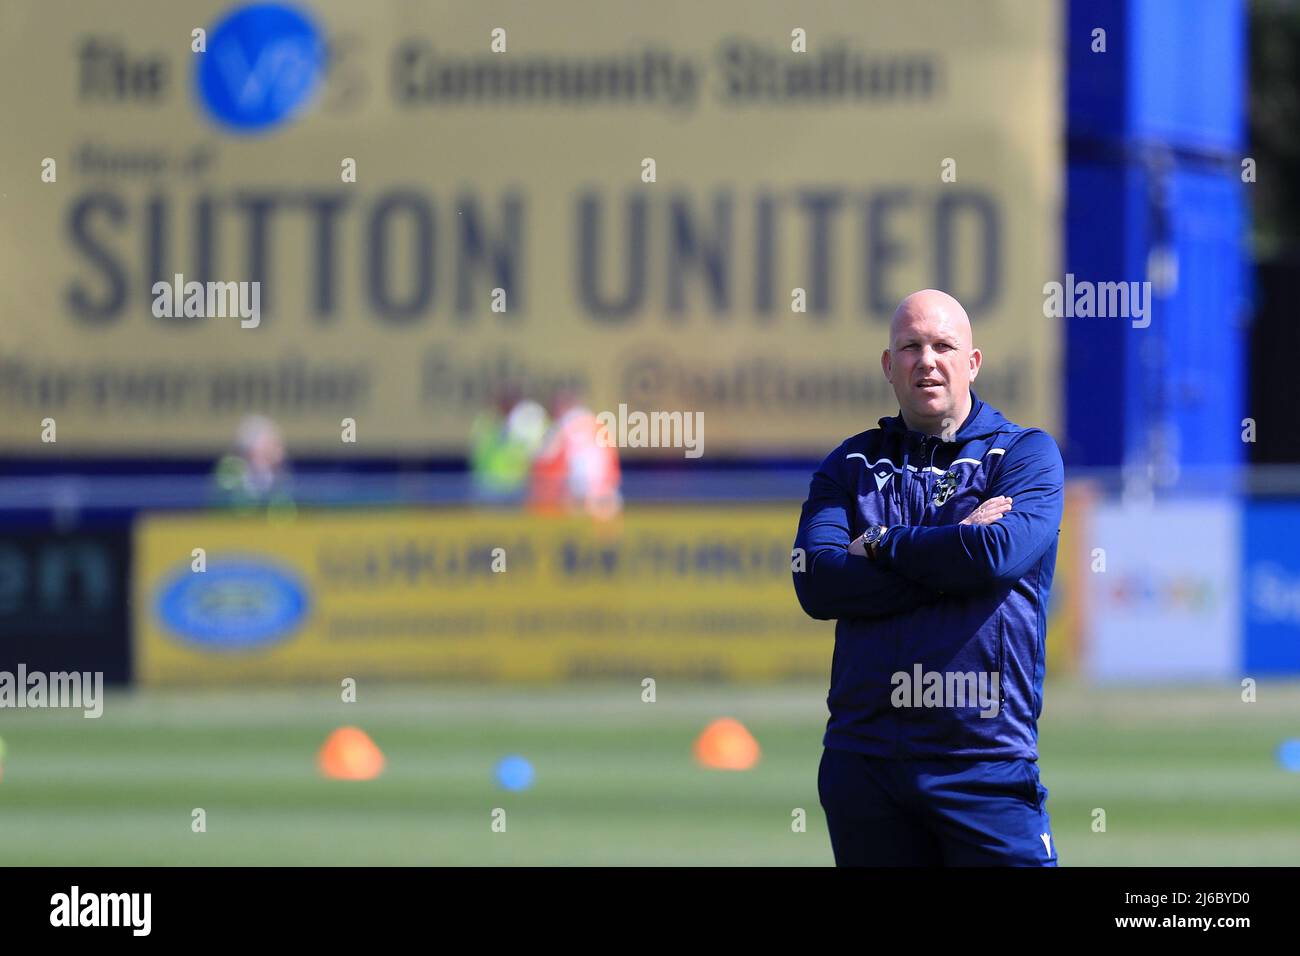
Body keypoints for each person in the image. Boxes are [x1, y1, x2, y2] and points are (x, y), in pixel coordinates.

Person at [792, 289, 1065, 866]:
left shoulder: (1024, 456)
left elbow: (994, 554)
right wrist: (952, 553)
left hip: (984, 760)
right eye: (911, 346)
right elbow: (817, 582)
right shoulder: (849, 465)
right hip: (866, 763)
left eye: (944, 345)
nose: (928, 359)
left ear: (972, 363)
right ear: (889, 366)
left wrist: (884, 543)